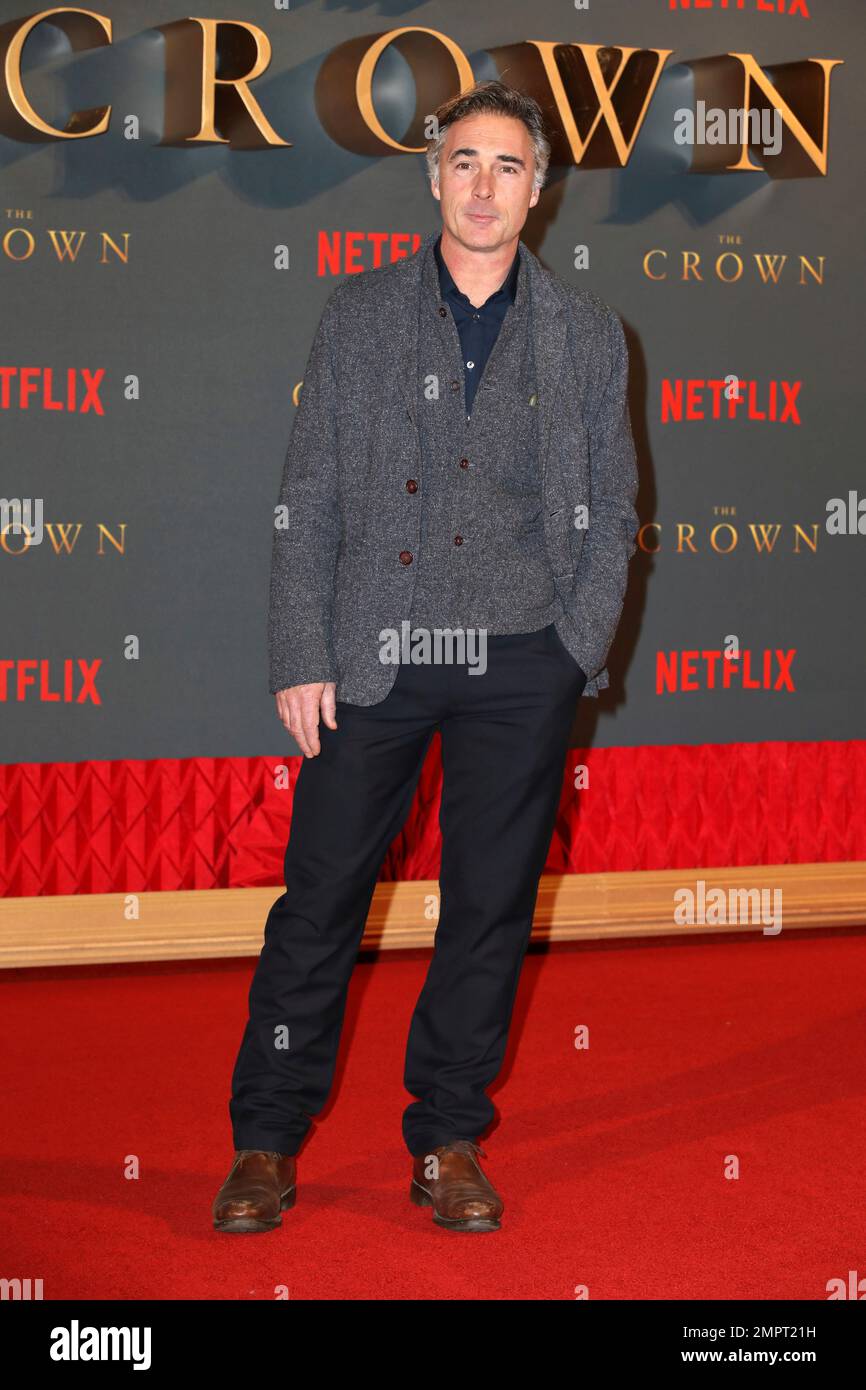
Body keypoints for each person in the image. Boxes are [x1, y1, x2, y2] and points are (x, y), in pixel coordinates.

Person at [212, 79, 639, 1235]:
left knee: (488, 907)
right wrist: (302, 649)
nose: (482, 185)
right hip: (376, 654)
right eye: (462, 162)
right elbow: (306, 495)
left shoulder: (590, 339)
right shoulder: (356, 317)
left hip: (519, 662)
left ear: (537, 190)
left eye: (507, 166)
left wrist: (570, 651)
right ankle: (265, 1136)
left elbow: (610, 507)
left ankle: (447, 1135)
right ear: (432, 176)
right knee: (318, 903)